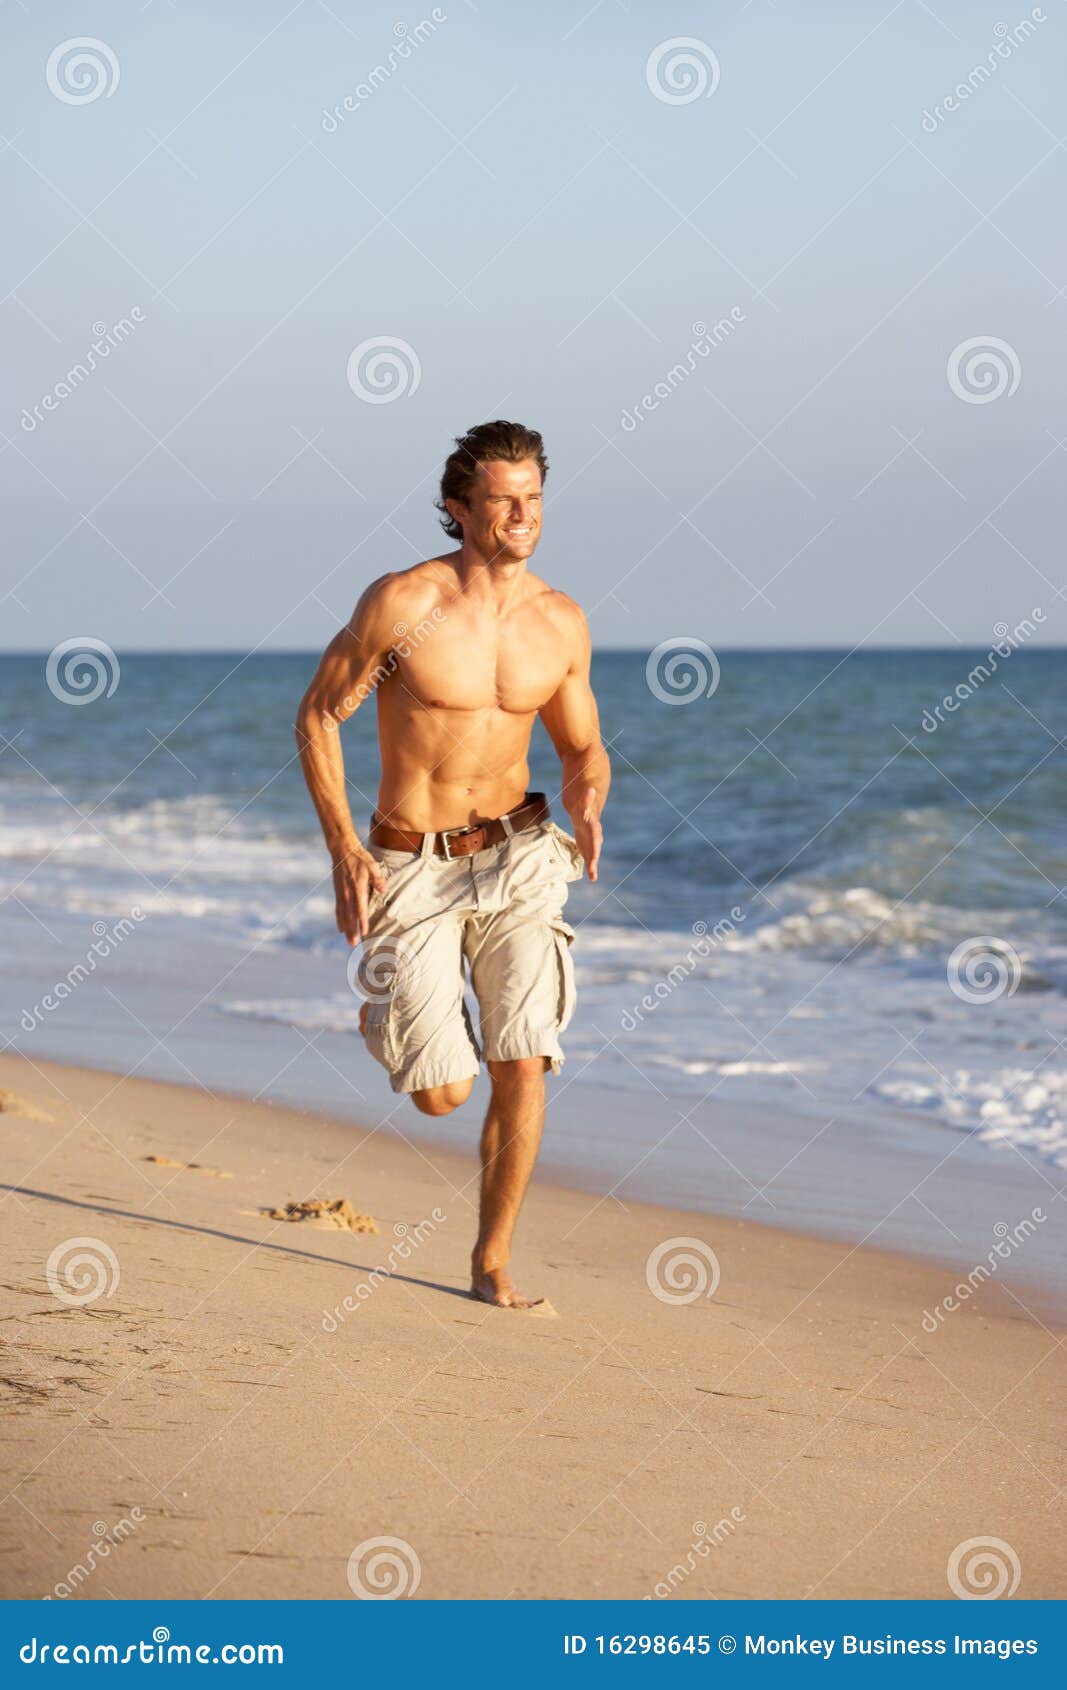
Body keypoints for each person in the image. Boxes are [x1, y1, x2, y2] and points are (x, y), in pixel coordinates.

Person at [296, 421, 610, 1308]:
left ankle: (490, 1260)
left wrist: (588, 797)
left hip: (520, 856)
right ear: (457, 508)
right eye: (502, 501)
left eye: (533, 499)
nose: (522, 516)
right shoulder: (403, 603)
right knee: (443, 1094)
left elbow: (582, 747)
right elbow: (318, 717)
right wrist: (343, 846)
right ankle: (400, 1006)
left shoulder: (559, 620)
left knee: (525, 1056)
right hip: (413, 863)